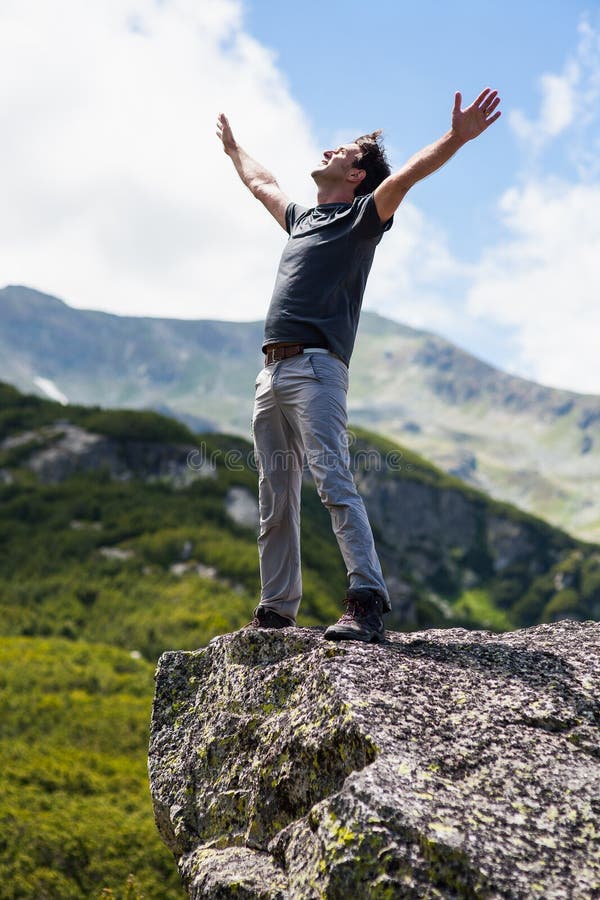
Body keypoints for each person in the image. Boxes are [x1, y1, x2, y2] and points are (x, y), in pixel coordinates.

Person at [216, 88, 501, 642]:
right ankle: (276, 610)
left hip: (317, 370)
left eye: (342, 151)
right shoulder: (301, 219)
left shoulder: (363, 216)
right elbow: (261, 184)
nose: (329, 150)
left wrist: (457, 137)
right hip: (270, 374)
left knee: (332, 483)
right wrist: (234, 150)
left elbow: (409, 175)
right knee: (275, 497)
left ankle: (366, 600)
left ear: (356, 176)